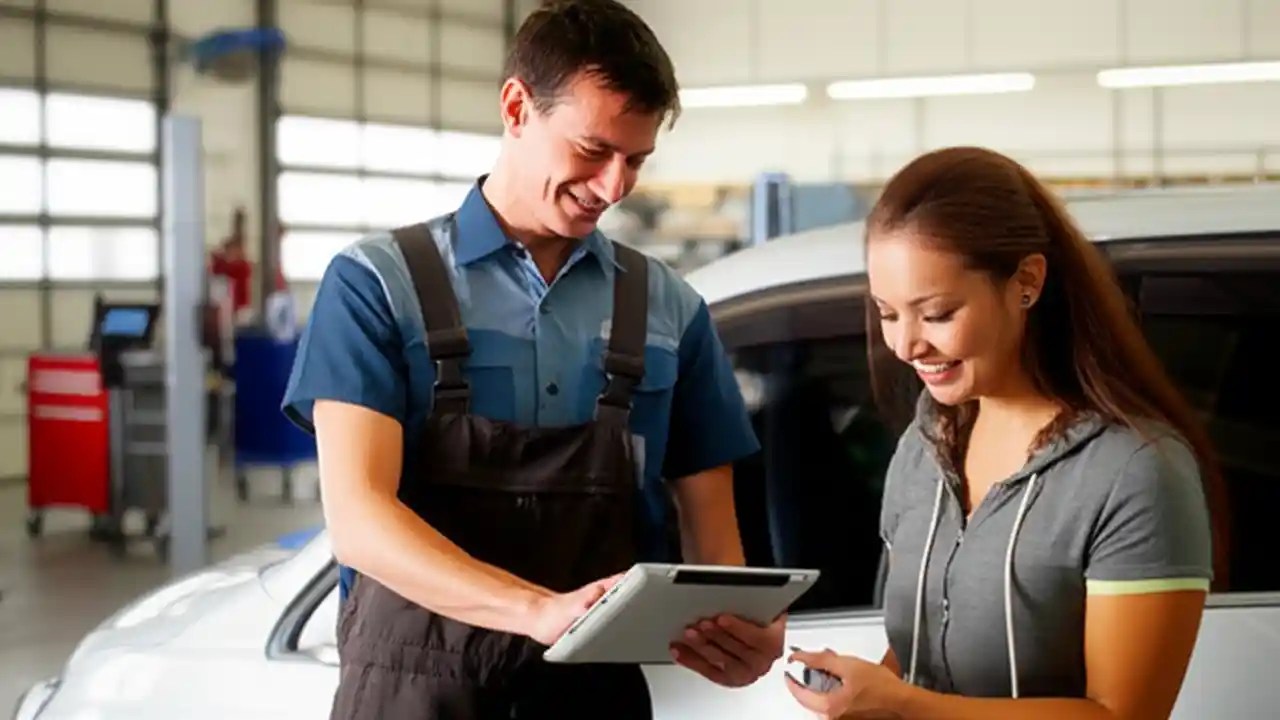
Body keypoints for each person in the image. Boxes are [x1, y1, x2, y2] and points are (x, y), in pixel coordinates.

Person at [280, 1, 782, 717]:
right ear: (517, 106)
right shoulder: (377, 286)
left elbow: (715, 544)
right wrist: (536, 611)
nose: (614, 188)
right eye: (591, 150)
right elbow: (358, 518)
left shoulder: (670, 312)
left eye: (635, 160)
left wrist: (736, 636)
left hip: (589, 700)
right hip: (412, 695)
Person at [786, 146, 1225, 719]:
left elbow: (1124, 716)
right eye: (888, 314)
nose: (905, 345)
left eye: (938, 313)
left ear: (1027, 281)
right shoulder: (923, 450)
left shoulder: (1135, 471)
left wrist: (907, 706)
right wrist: (866, 696)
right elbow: (922, 652)